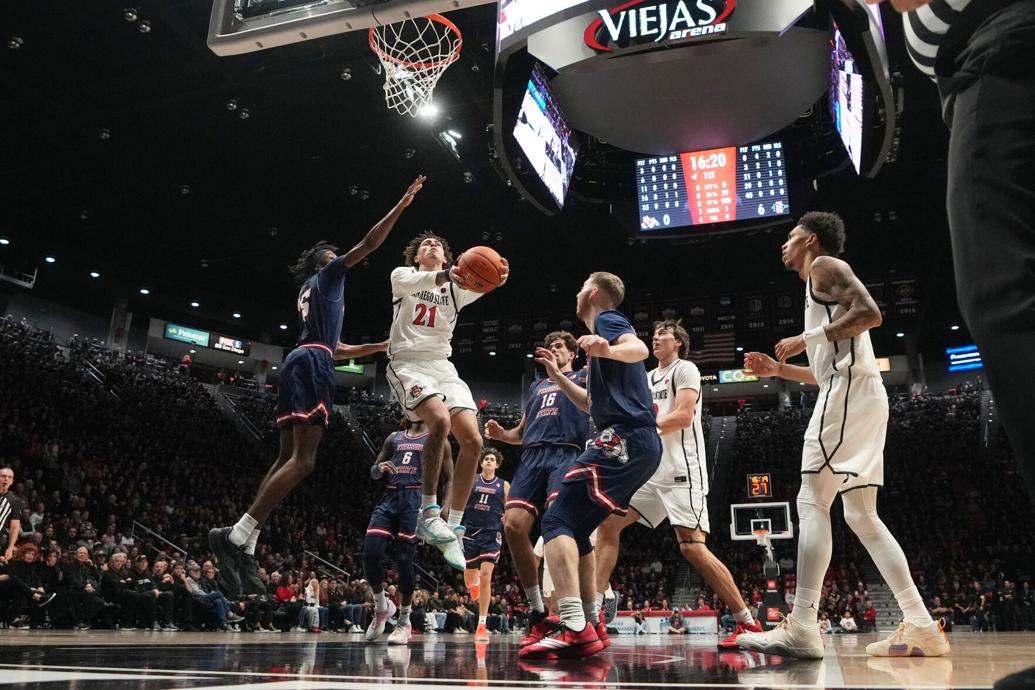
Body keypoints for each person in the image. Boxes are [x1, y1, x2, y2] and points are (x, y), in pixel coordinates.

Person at [739, 212, 949, 659]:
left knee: (812, 500)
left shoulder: (823, 267)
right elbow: (823, 372)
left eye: (790, 238)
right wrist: (779, 369)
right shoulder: (817, 285)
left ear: (811, 241)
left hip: (850, 394)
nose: (784, 245)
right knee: (861, 516)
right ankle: (921, 624)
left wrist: (806, 336)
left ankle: (801, 625)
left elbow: (871, 314)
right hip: (856, 392)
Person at [209, 176, 425, 598]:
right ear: (323, 262)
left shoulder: (314, 295)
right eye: (333, 255)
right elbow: (369, 243)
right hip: (311, 364)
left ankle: (247, 542)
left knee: (286, 458)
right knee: (304, 463)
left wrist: (380, 345)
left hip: (304, 357)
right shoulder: (328, 276)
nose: (339, 258)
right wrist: (401, 204)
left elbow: (337, 348)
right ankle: (235, 536)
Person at [593, 319, 762, 650]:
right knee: (608, 523)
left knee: (691, 547)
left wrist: (644, 430)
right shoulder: (644, 377)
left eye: (662, 334)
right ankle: (594, 613)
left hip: (682, 472)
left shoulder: (686, 369)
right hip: (650, 471)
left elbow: (683, 416)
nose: (655, 338)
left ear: (678, 343)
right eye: (653, 335)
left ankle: (747, 622)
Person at [521, 272, 662, 659]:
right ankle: (592, 620)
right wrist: (557, 377)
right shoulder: (596, 352)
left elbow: (639, 349)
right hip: (638, 443)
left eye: (581, 284)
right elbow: (590, 405)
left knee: (555, 520)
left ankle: (572, 625)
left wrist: (608, 348)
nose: (578, 291)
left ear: (594, 293)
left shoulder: (607, 319)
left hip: (625, 437)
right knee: (579, 529)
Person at [386, 232, 509, 571]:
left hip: (443, 366)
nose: (431, 245)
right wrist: (448, 273)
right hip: (408, 364)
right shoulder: (402, 276)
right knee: (439, 421)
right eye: (424, 244)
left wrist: (499, 277)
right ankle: (428, 512)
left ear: (448, 256)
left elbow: (484, 283)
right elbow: (430, 278)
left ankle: (453, 525)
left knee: (473, 440)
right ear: (415, 257)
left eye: (438, 244)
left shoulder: (457, 289)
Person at [485, 331, 590, 630]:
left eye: (559, 347)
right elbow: (520, 432)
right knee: (512, 525)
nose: (553, 350)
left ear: (572, 354)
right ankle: (537, 607)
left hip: (566, 454)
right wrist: (501, 435)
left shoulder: (582, 376)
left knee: (559, 523)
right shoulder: (535, 387)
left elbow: (593, 403)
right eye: (550, 346)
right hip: (532, 458)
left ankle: (578, 608)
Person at [363, 420, 451, 645]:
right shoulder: (394, 437)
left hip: (416, 500)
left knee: (404, 561)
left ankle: (404, 621)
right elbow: (373, 472)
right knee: (370, 553)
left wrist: (443, 510)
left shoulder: (437, 438)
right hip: (390, 498)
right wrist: (379, 468)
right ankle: (382, 607)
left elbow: (449, 478)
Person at [462, 447, 509, 643]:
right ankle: (475, 585)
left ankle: (482, 625)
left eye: (492, 459)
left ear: (497, 464)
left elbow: (512, 506)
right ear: (481, 463)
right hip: (470, 531)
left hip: (492, 534)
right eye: (486, 459)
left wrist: (509, 515)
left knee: (486, 574)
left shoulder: (504, 485)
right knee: (469, 580)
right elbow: (459, 500)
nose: (489, 461)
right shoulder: (471, 480)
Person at [0, 466, 24, 563]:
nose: (6, 479)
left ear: (12, 481)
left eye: (9, 477)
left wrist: (10, 547)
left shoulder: (14, 501)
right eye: (3, 476)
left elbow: (15, 526)